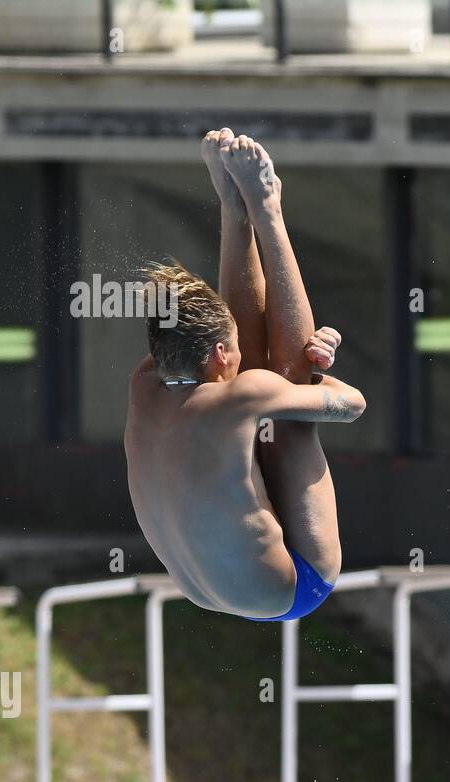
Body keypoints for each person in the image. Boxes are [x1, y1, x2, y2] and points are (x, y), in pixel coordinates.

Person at [124, 130, 364, 621]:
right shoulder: (242, 395)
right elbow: (354, 404)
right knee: (288, 410)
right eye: (230, 344)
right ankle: (266, 213)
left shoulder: (144, 383)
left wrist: (285, 381)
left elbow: (203, 351)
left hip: (207, 588)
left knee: (260, 392)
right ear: (216, 353)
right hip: (299, 583)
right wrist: (319, 372)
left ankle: (236, 211)